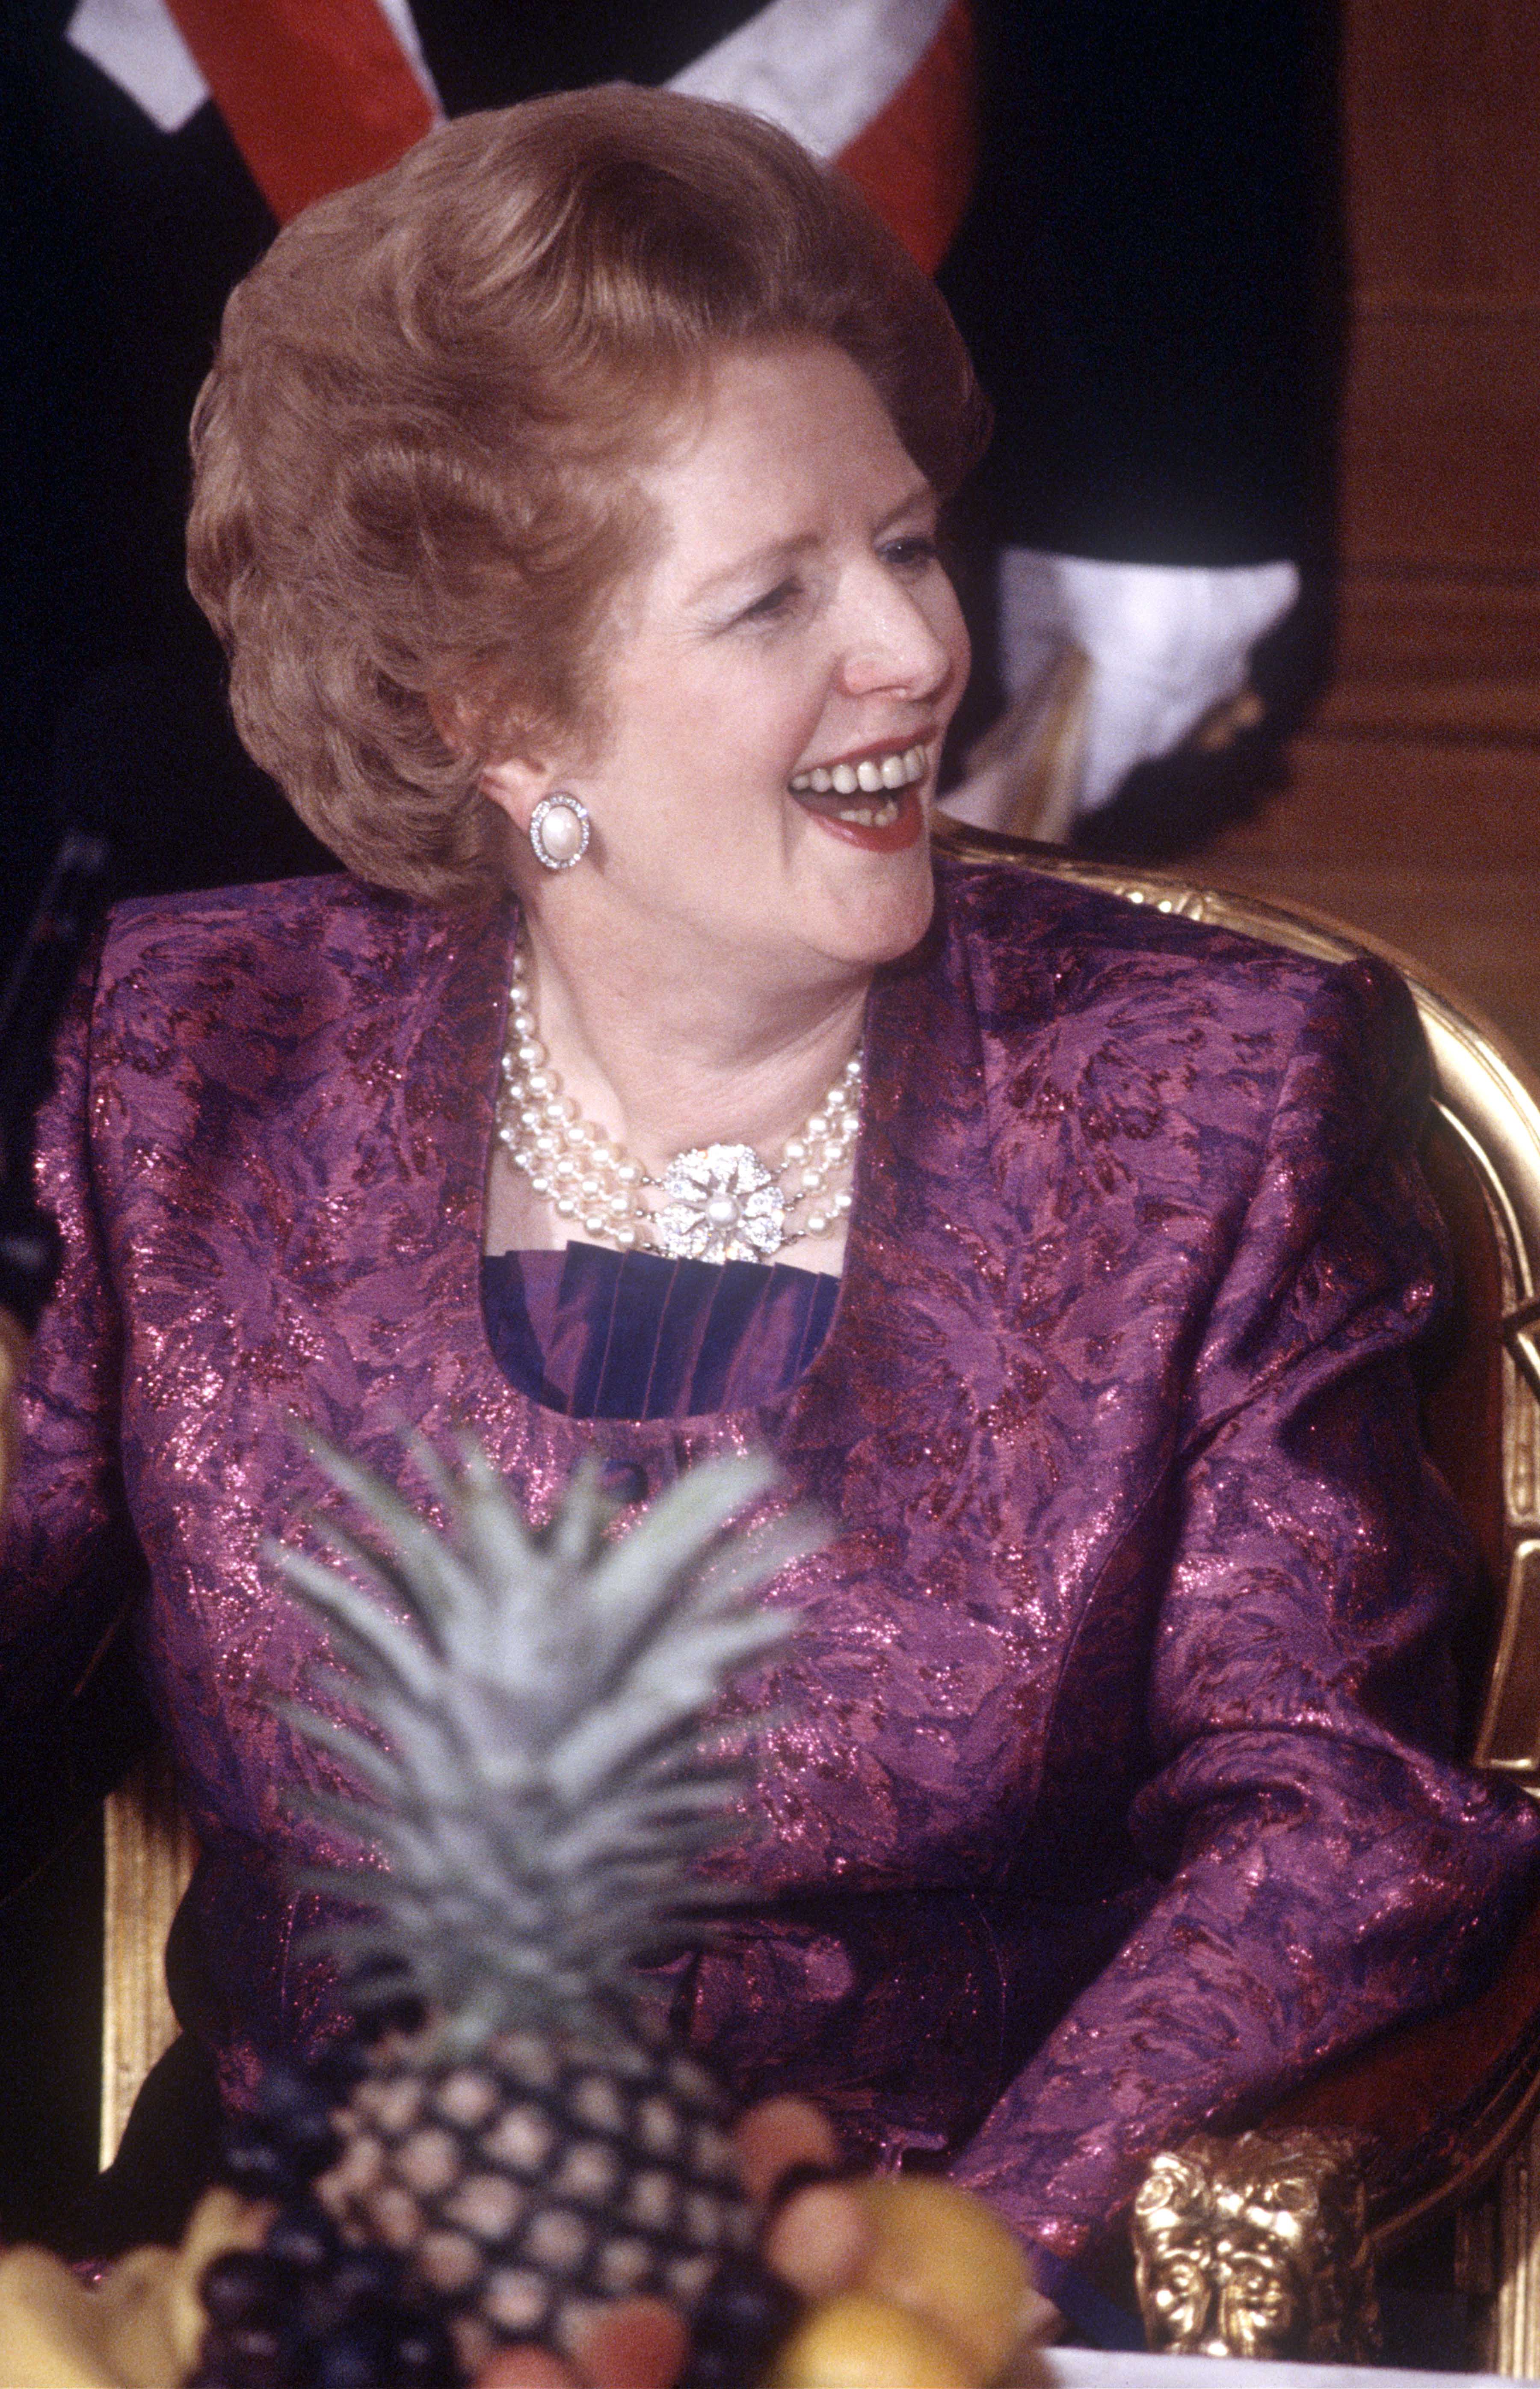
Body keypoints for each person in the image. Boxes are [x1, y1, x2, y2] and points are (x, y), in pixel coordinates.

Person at [2, 81, 1536, 2366]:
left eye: (908, 549)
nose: (916, 653)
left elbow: (1339, 1822)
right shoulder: (197, 1063)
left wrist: (923, 2292)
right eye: (776, 596)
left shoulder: (1202, 1094)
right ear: (506, 721)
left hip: (950, 2301)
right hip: (299, 2289)